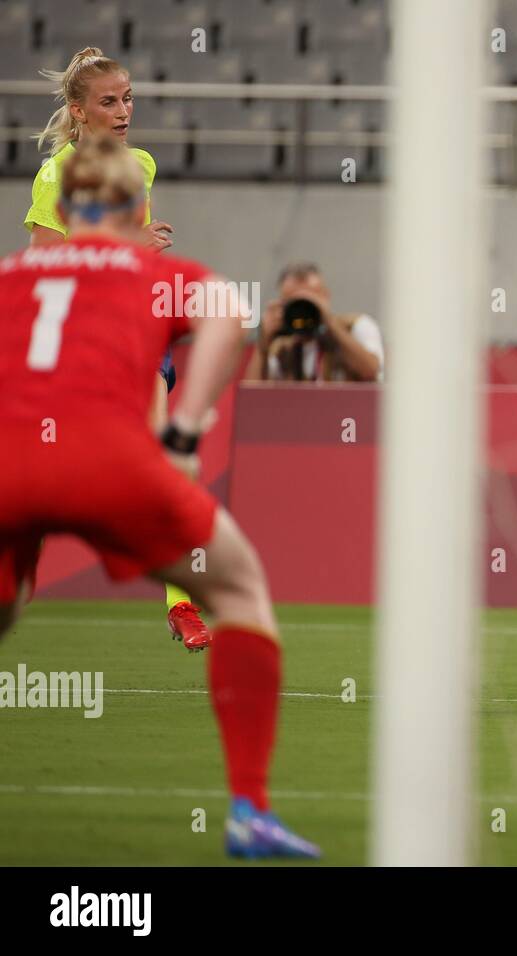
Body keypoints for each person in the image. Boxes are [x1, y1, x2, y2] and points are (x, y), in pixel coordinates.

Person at [0, 135, 319, 858]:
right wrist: (179, 435)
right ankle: (249, 810)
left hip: (12, 461)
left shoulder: (12, 275)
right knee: (239, 591)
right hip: (111, 460)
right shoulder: (152, 270)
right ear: (134, 207)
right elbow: (228, 314)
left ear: (64, 206)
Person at [24, 46, 210, 651]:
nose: (124, 111)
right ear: (79, 113)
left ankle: (181, 603)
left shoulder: (142, 165)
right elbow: (43, 264)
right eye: (110, 101)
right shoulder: (56, 176)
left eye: (128, 98)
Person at [244, 263, 384, 383]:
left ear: (326, 297)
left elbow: (370, 371)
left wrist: (329, 322)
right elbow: (251, 398)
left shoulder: (355, 326)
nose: (303, 311)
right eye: (295, 304)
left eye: (309, 302)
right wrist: (263, 344)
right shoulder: (282, 348)